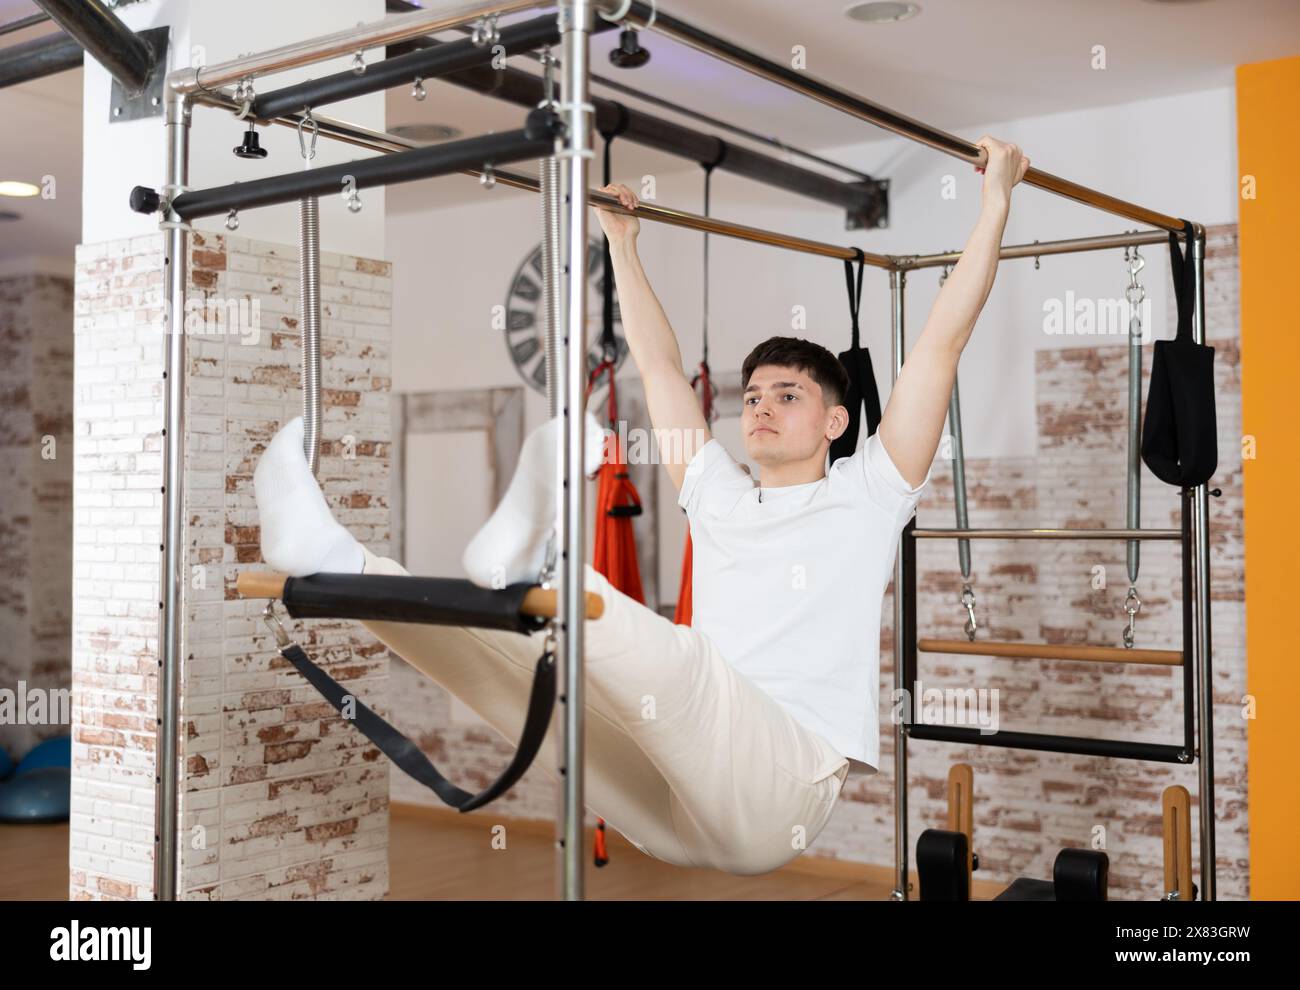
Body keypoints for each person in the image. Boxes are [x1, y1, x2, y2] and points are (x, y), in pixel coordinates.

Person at [253, 136, 1030, 876]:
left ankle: (545, 569)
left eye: (788, 396)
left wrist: (993, 201)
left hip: (780, 791)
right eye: (753, 395)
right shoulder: (720, 492)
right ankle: (336, 559)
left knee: (689, 669)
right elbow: (657, 366)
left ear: (835, 422)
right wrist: (621, 243)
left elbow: (939, 345)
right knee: (520, 679)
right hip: (671, 806)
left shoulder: (869, 492)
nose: (760, 408)